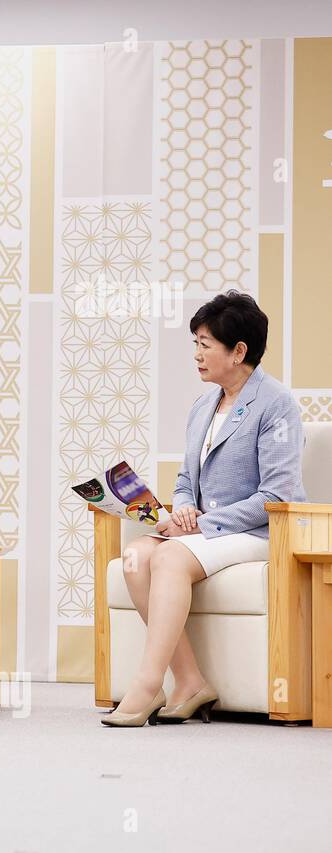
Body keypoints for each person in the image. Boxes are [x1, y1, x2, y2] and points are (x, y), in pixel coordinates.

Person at [102, 291, 305, 727]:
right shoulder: (202, 406)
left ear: (238, 352)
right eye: (195, 343)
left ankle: (147, 683)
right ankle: (191, 681)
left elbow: (275, 496)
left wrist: (202, 525)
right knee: (137, 556)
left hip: (259, 533)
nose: (196, 354)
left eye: (204, 344)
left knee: (170, 556)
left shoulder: (277, 405)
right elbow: (184, 481)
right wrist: (182, 511)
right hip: (209, 532)